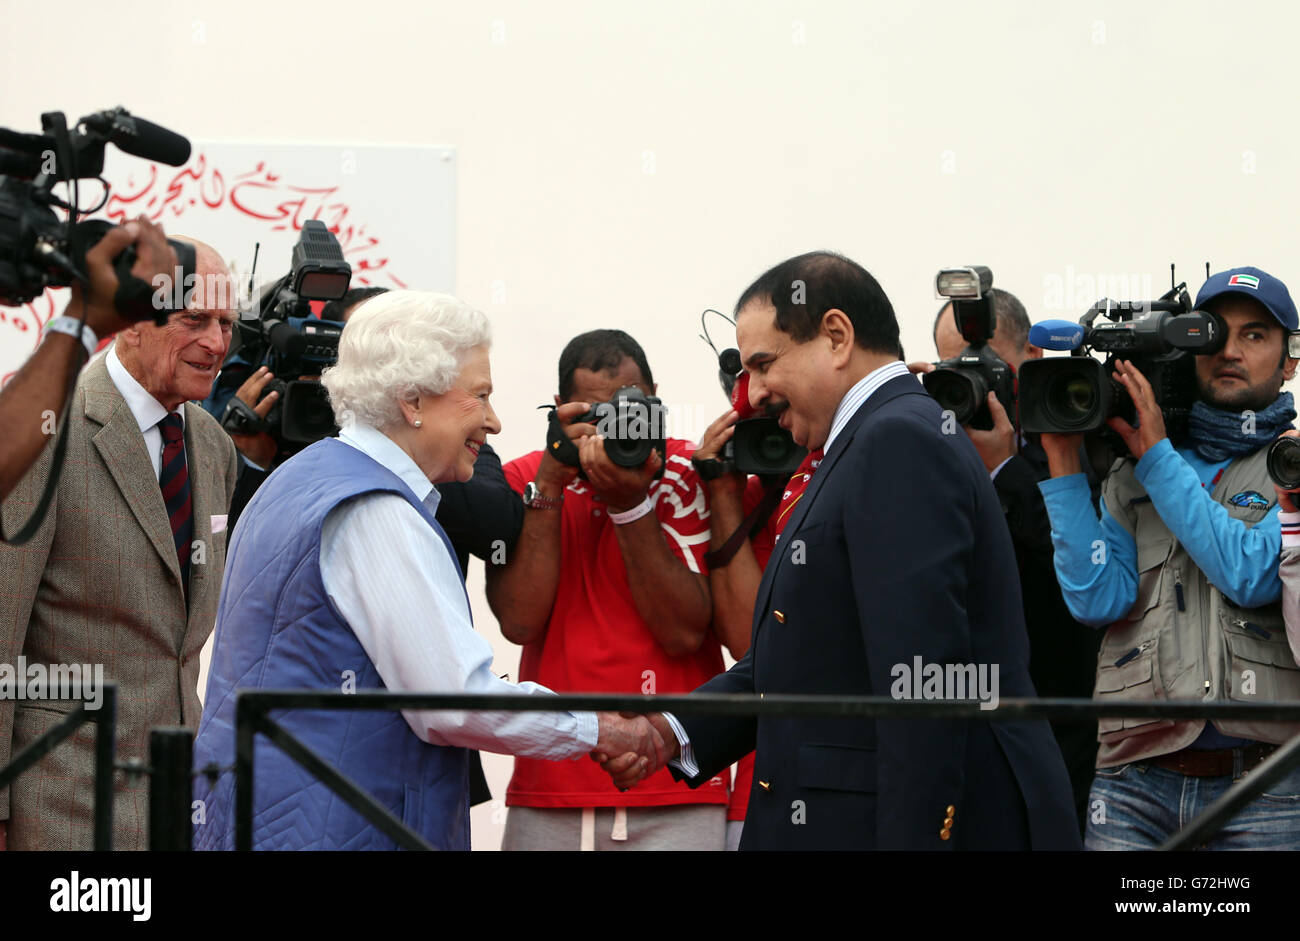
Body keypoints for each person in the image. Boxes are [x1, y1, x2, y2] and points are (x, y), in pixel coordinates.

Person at [599, 251, 1081, 850]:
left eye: (764, 364)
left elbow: (926, 685)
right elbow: (803, 657)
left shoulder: (897, 440)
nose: (750, 397)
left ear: (835, 336)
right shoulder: (865, 441)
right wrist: (667, 731)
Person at [190, 291, 660, 851]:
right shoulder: (375, 509)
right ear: (413, 400)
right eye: (480, 396)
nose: (495, 421)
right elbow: (456, 699)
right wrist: (599, 726)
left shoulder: (299, 478)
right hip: (340, 829)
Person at [1038, 265, 1300, 850]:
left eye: (1255, 335)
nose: (1230, 351)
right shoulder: (1136, 468)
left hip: (1267, 783)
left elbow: (1254, 575)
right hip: (1133, 783)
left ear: (1290, 360)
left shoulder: (1290, 465)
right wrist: (1061, 460)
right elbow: (1096, 597)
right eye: (1212, 333)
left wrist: (1157, 456)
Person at [0, 236, 240, 851]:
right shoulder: (47, 430)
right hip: (57, 812)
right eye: (194, 319)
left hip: (175, 811)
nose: (216, 344)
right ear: (132, 321)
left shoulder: (213, 446)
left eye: (226, 324)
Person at [487, 329, 726, 851]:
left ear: (655, 398)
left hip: (680, 781)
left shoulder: (687, 472)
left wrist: (631, 505)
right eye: (594, 414)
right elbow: (520, 621)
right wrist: (550, 483)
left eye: (631, 407)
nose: (615, 426)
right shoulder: (525, 478)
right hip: (552, 782)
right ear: (559, 411)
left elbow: (685, 634)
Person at [917, 289, 1100, 833]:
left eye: (988, 361)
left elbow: (1082, 565)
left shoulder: (1080, 431)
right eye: (956, 365)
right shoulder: (930, 448)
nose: (975, 379)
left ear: (1033, 361)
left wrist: (1003, 468)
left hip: (1067, 721)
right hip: (971, 731)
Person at [691, 397, 822, 850]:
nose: (778, 437)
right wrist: (723, 495)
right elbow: (751, 645)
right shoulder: (742, 499)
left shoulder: (843, 485)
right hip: (760, 788)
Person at [0, 217, 178, 502]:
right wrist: (83, 323)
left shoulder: (210, 438)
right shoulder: (53, 432)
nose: (215, 343)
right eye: (194, 319)